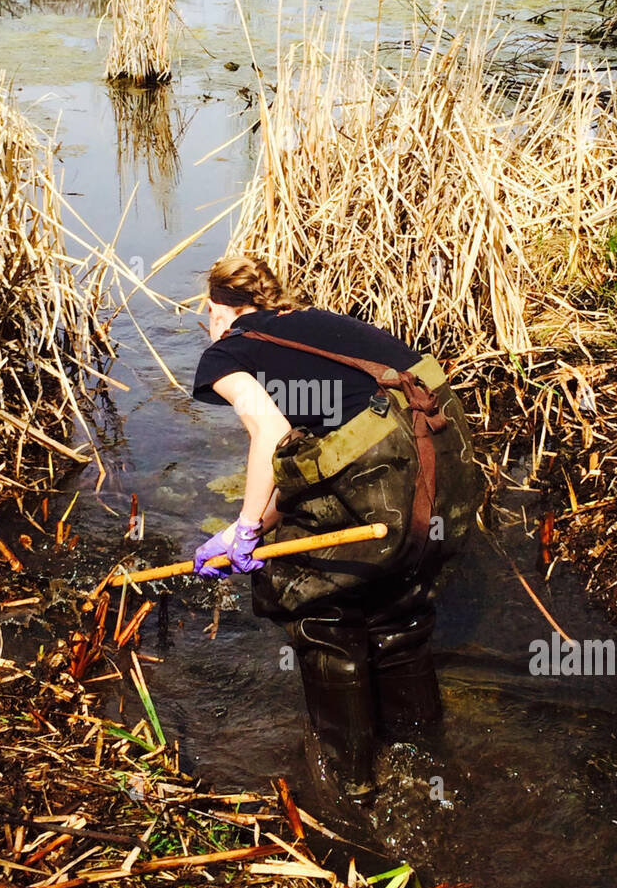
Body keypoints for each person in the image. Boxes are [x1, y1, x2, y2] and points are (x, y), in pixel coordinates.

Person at [191, 255, 479, 801]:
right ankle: (423, 758)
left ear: (216, 311)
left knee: (318, 607)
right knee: (399, 605)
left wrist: (250, 528)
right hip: (449, 462)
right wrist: (247, 525)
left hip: (388, 470)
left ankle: (350, 784)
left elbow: (269, 433)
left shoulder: (228, 351)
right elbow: (313, 462)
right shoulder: (318, 326)